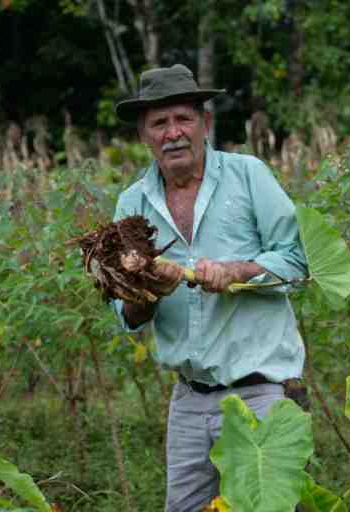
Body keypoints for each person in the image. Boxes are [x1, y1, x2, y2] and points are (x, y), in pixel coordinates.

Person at [111, 63, 308, 512]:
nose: (173, 132)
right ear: (145, 135)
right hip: (189, 400)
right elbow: (127, 316)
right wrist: (148, 292)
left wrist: (237, 271)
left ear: (205, 123)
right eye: (159, 123)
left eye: (183, 118)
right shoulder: (132, 204)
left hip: (262, 392)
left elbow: (296, 260)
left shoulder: (248, 176)